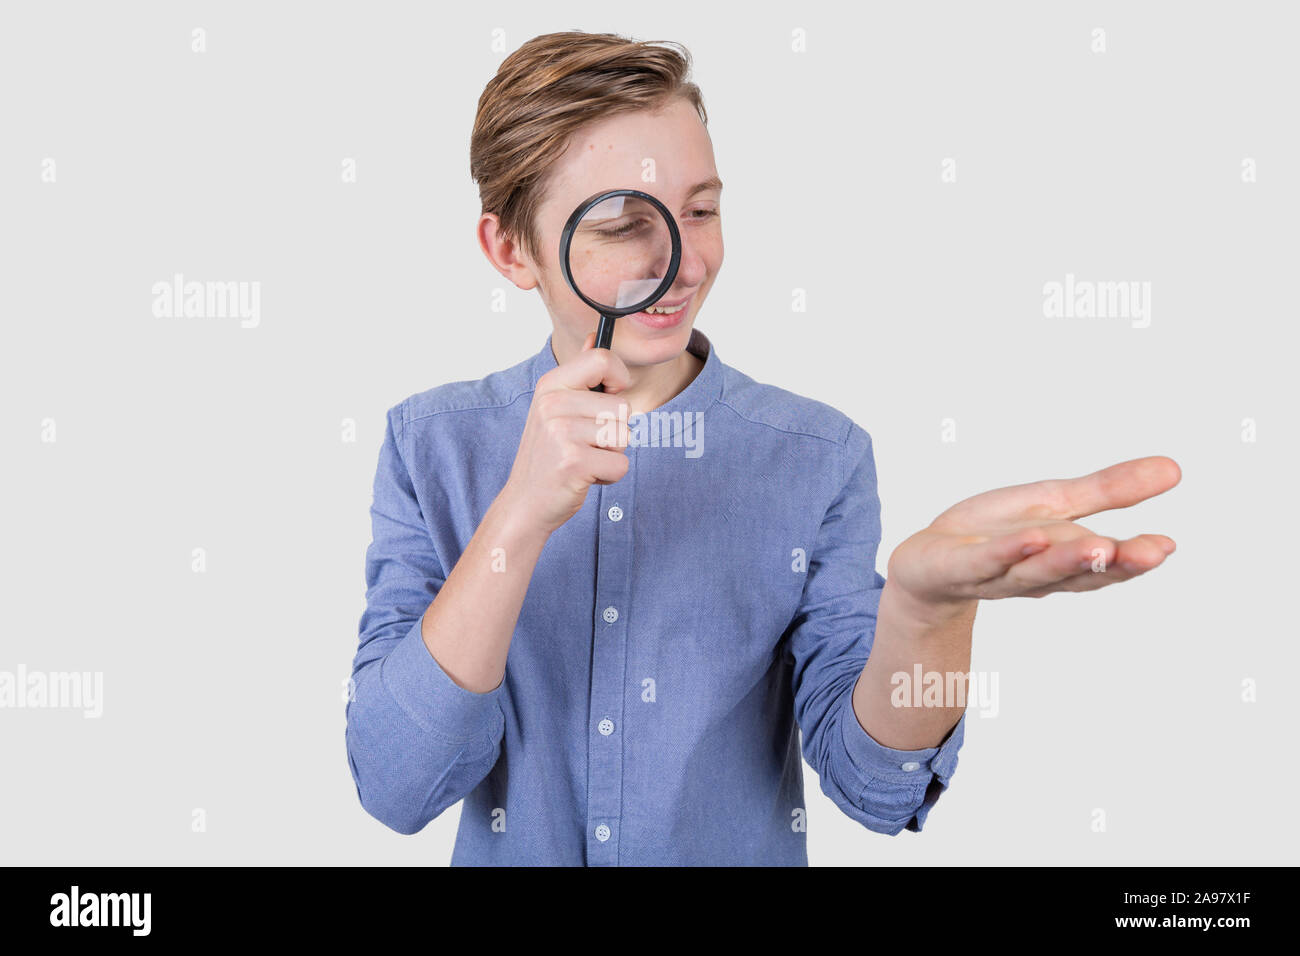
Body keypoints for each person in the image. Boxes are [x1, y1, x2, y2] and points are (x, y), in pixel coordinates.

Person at [344, 31, 1181, 866]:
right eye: (622, 223)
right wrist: (518, 519)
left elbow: (876, 787)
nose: (679, 264)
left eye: (700, 211)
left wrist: (928, 617)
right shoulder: (430, 445)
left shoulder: (818, 457)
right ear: (512, 250)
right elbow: (396, 785)